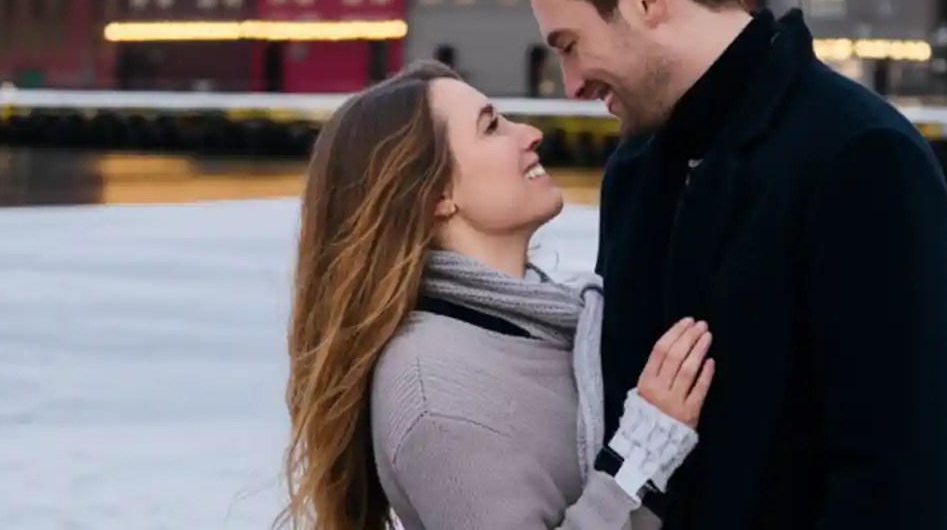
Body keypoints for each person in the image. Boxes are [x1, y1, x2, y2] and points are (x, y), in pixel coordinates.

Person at [503, 0, 947, 529]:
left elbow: (897, 489)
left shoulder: (861, 156)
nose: (570, 82)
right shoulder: (633, 170)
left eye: (571, 45)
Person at [275, 61, 717, 530]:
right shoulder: (434, 396)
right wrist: (641, 455)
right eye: (491, 127)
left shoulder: (541, 320)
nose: (529, 133)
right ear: (437, 195)